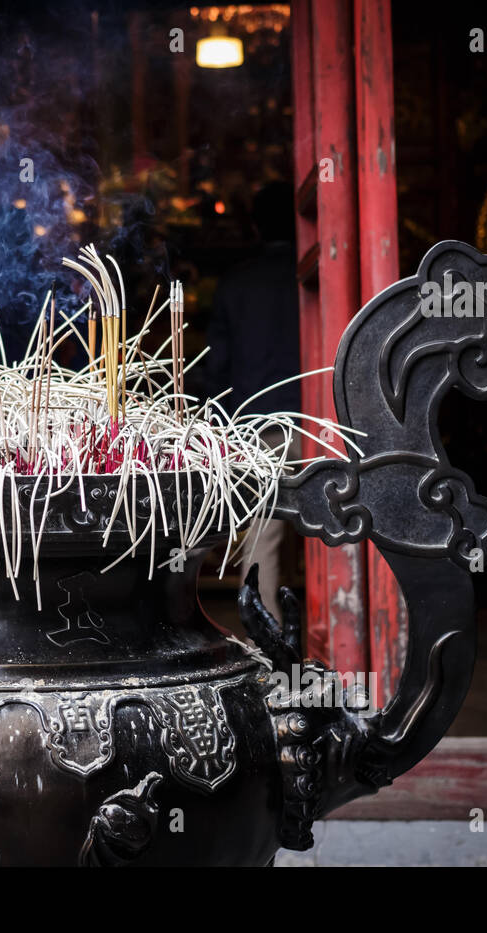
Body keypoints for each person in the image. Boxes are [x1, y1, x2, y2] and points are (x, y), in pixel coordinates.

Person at [203, 181, 301, 620]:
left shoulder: (236, 282)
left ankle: (266, 641)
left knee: (264, 537)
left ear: (256, 226)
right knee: (341, 530)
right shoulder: (315, 273)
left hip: (260, 428)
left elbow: (216, 368)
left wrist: (215, 426)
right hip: (325, 423)